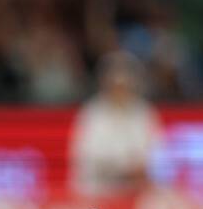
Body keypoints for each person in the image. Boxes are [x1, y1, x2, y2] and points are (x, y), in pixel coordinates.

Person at [68, 51, 162, 198]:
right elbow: (90, 158)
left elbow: (157, 153)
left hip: (137, 194)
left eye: (125, 85)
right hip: (99, 194)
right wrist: (125, 169)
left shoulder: (144, 112)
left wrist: (141, 168)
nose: (120, 91)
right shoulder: (92, 114)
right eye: (116, 86)